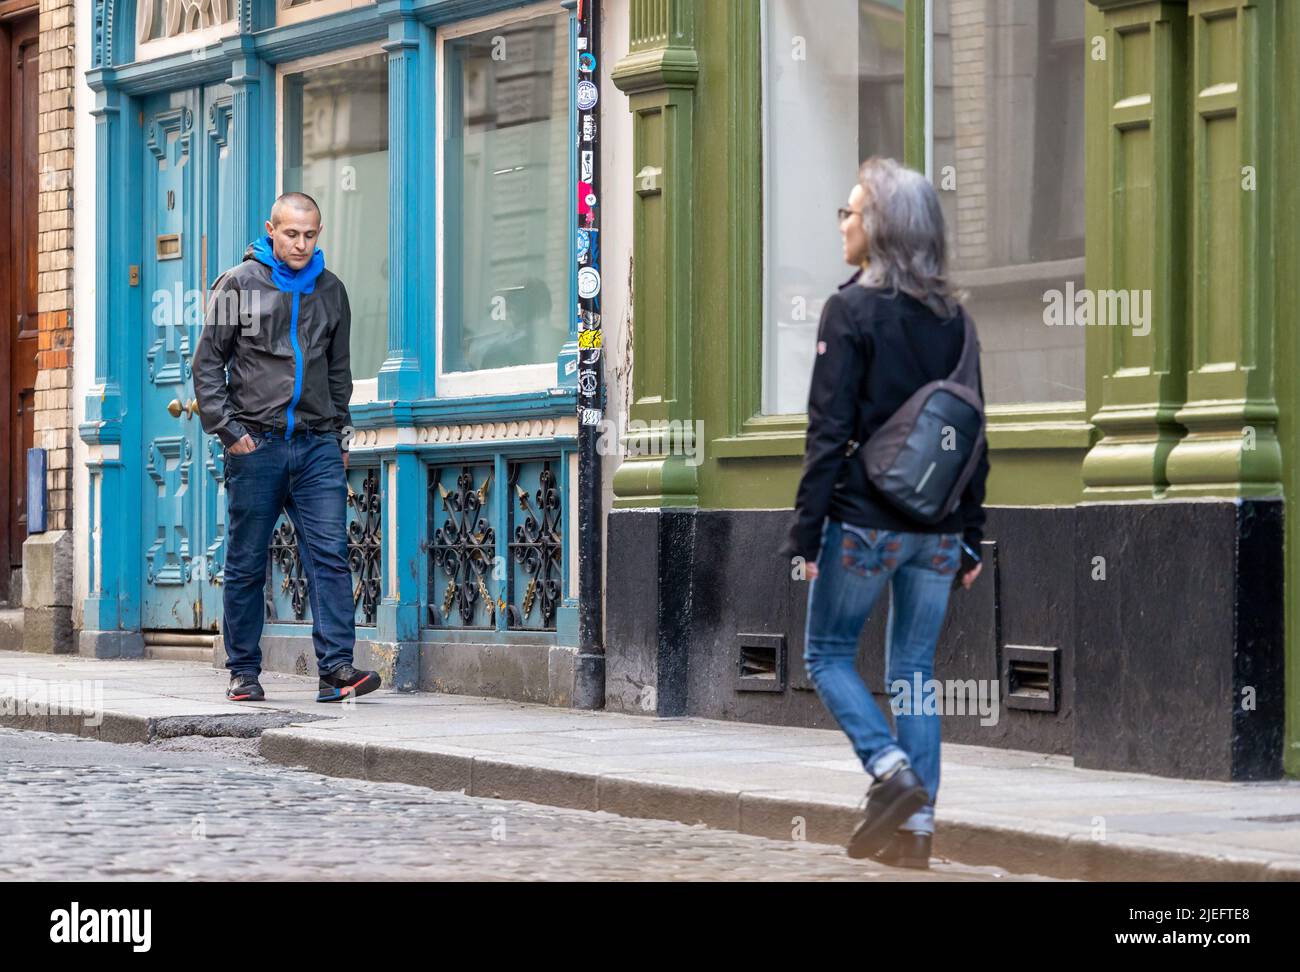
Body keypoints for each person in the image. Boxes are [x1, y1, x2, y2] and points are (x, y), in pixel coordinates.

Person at [779, 157, 988, 868]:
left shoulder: (850, 310)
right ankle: (916, 830)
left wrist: (805, 532)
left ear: (884, 228)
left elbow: (828, 433)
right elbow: (974, 435)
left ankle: (888, 769)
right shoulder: (956, 321)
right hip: (936, 532)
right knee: (913, 673)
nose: (842, 223)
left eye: (852, 211)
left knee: (828, 654)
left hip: (862, 523)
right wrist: (971, 537)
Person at [193, 191, 382, 704]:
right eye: (291, 233)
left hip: (318, 444)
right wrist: (231, 433)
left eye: (310, 234)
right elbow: (207, 365)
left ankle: (336, 671)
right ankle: (244, 671)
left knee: (331, 555)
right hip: (258, 445)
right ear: (271, 230)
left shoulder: (331, 290)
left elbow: (339, 372)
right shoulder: (238, 284)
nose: (301, 243)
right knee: (248, 560)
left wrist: (342, 435)